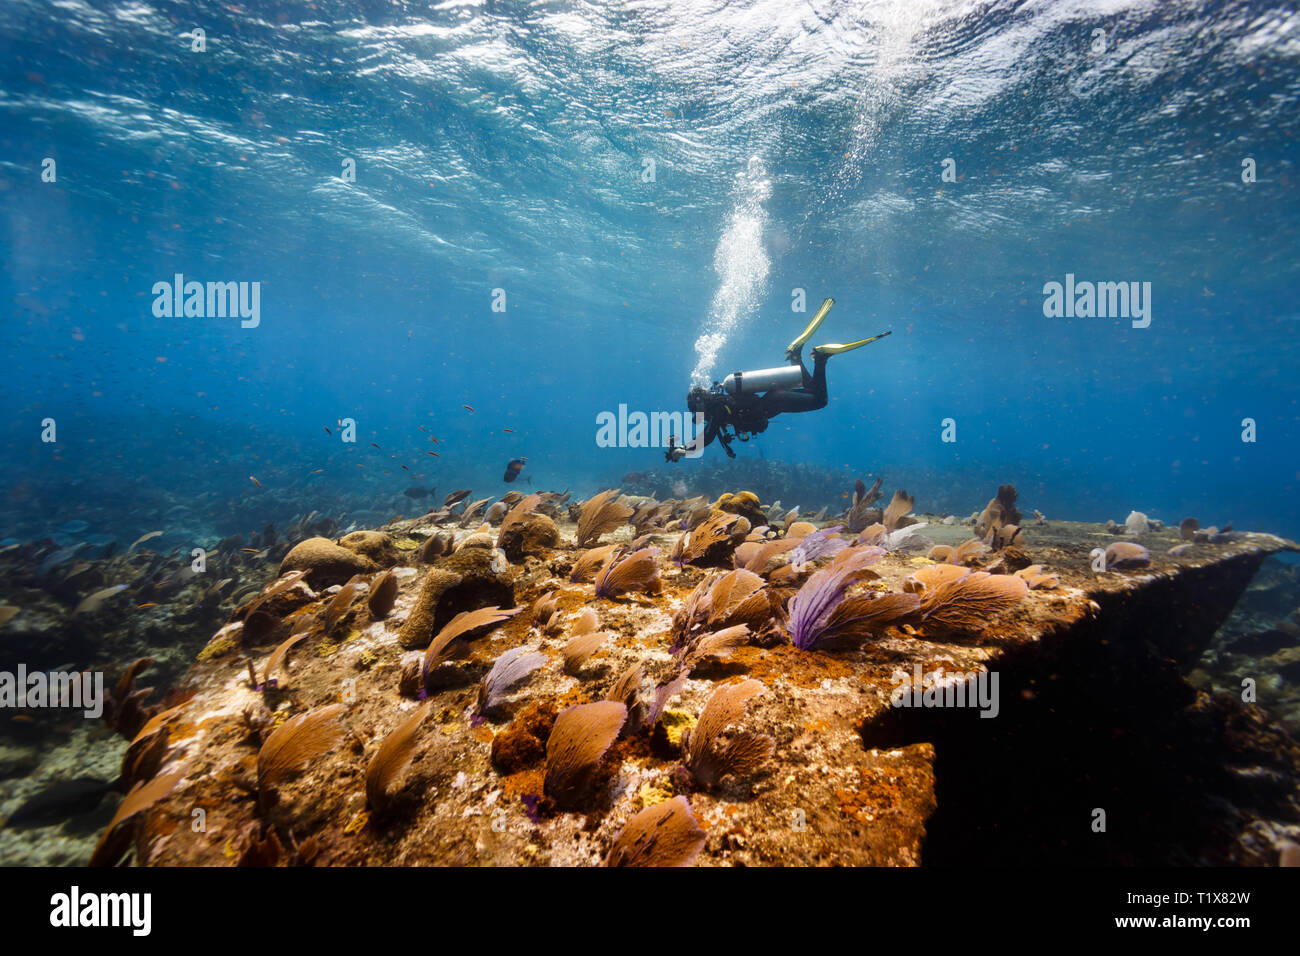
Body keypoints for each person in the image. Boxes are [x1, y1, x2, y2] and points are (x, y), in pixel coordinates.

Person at [666, 297, 890, 460]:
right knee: (814, 395)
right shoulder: (721, 401)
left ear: (700, 406)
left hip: (775, 401)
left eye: (696, 412)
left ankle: (818, 358)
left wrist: (684, 450)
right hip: (774, 399)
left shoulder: (716, 410)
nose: (699, 417)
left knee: (819, 401)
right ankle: (799, 356)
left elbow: (707, 437)